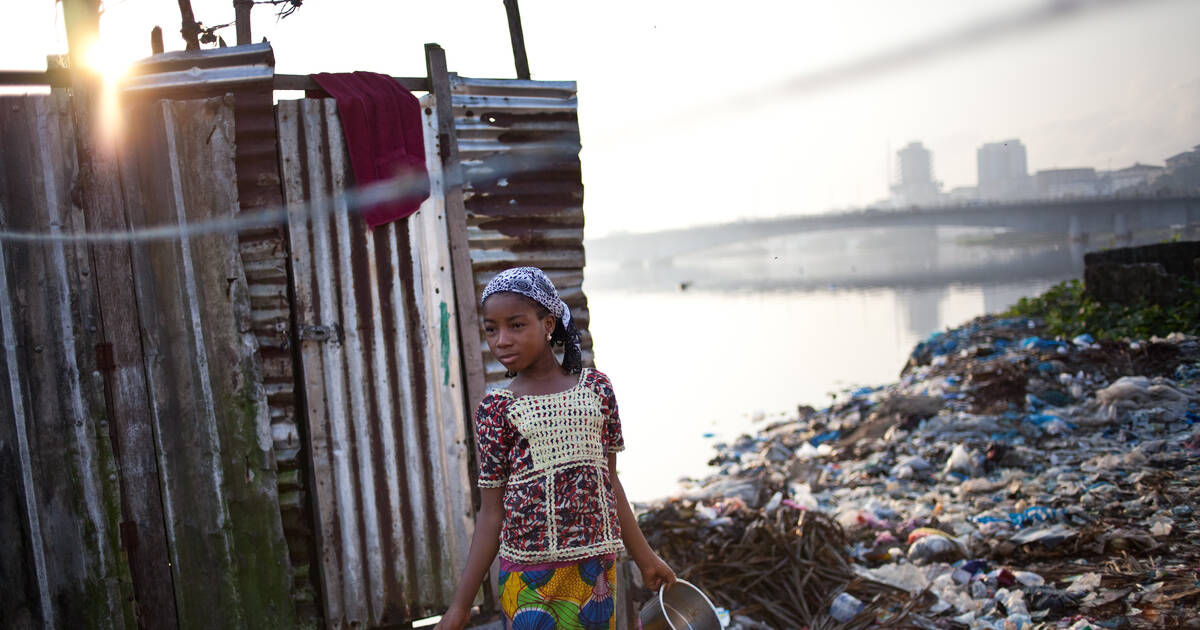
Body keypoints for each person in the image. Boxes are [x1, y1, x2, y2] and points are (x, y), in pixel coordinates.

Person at [435, 266, 675, 630]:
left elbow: (609, 483)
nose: (501, 340)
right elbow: (491, 514)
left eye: (516, 325)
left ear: (548, 324)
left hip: (595, 573)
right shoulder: (497, 410)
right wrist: (460, 606)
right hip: (530, 581)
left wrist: (646, 559)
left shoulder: (596, 391)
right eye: (491, 329)